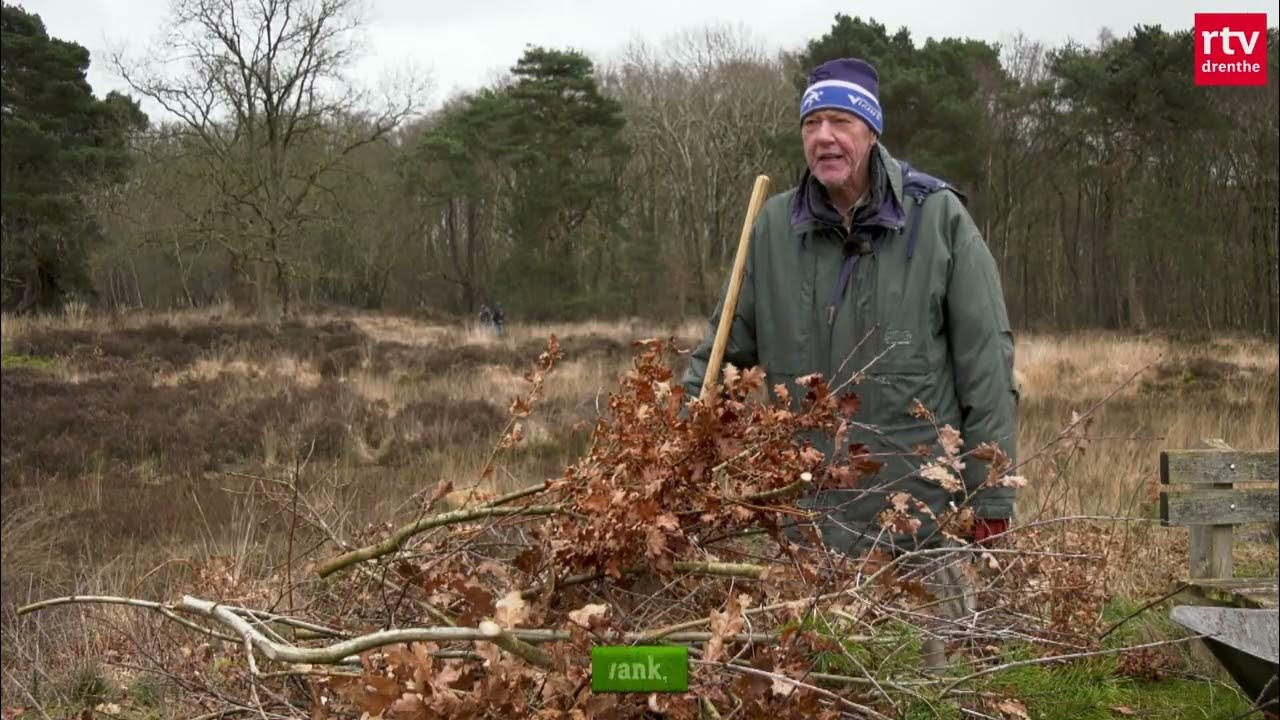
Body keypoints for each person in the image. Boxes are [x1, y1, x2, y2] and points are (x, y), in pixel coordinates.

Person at [680, 57, 1019, 667]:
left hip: (920, 518)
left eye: (839, 120)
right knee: (819, 685)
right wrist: (673, 444)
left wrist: (990, 500)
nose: (823, 137)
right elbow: (723, 355)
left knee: (928, 689)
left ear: (870, 131)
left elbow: (986, 367)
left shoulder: (937, 219)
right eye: (811, 122)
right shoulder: (774, 229)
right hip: (807, 519)